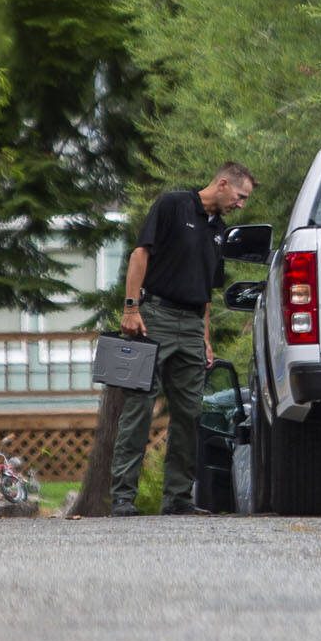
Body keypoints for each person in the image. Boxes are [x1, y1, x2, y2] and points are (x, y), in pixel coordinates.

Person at [110, 162, 256, 515]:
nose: (241, 205)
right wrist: (131, 308)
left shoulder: (218, 230)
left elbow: (205, 290)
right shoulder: (173, 205)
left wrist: (205, 338)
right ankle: (123, 498)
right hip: (155, 317)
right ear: (222, 184)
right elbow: (139, 254)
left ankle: (177, 498)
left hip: (191, 325)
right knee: (138, 408)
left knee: (190, 413)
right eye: (240, 196)